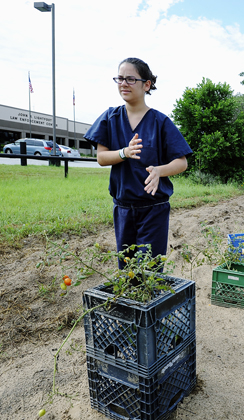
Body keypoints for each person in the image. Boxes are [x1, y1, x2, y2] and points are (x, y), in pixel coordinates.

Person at [84, 57, 192, 269]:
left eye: (130, 79)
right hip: (123, 209)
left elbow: (182, 162)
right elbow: (101, 158)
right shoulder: (110, 118)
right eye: (120, 78)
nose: (123, 83)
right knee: (127, 270)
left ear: (146, 84)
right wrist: (124, 152)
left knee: (148, 270)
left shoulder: (160, 122)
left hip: (154, 209)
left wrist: (160, 171)